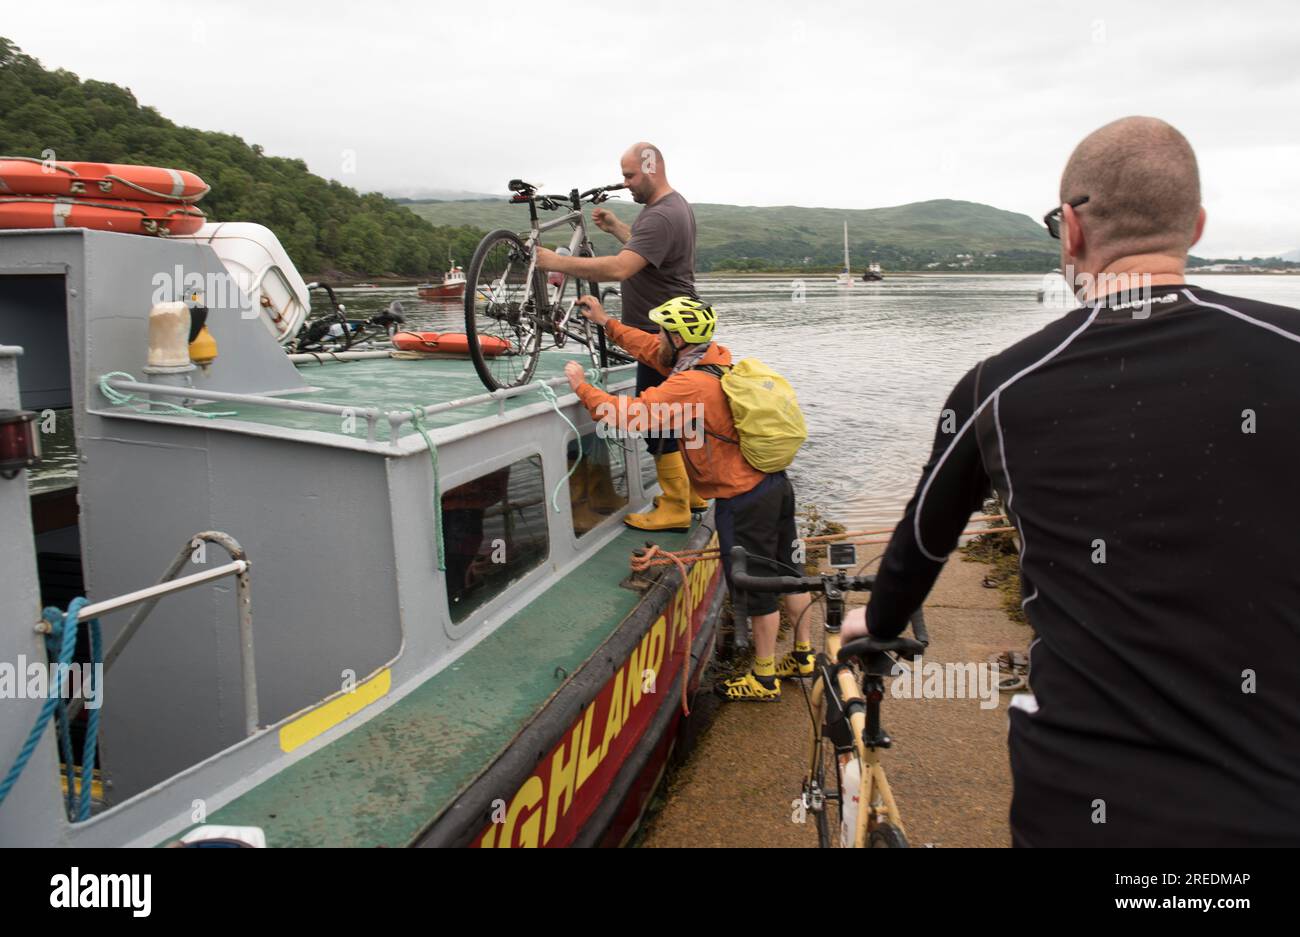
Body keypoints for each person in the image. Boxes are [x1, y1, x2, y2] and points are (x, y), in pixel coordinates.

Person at [856, 115, 1300, 846]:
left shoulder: (997, 388)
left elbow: (921, 545)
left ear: (1070, 230)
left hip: (1088, 805)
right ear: (1195, 225)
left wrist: (874, 623)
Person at [563, 295, 814, 701]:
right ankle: (804, 656)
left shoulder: (689, 384)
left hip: (742, 497)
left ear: (677, 337)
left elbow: (625, 416)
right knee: (790, 571)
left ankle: (764, 677)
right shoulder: (714, 363)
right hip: (774, 486)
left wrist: (581, 387)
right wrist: (606, 322)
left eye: (662, 329)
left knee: (757, 585)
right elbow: (648, 348)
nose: (657, 335)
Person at [536, 142, 705, 531]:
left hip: (661, 336)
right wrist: (616, 228)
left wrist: (555, 261)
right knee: (679, 419)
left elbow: (619, 268)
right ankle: (693, 493)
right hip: (678, 334)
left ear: (651, 168)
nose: (625, 183)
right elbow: (647, 250)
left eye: (629, 176)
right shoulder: (672, 207)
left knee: (658, 421)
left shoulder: (661, 216)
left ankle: (677, 508)